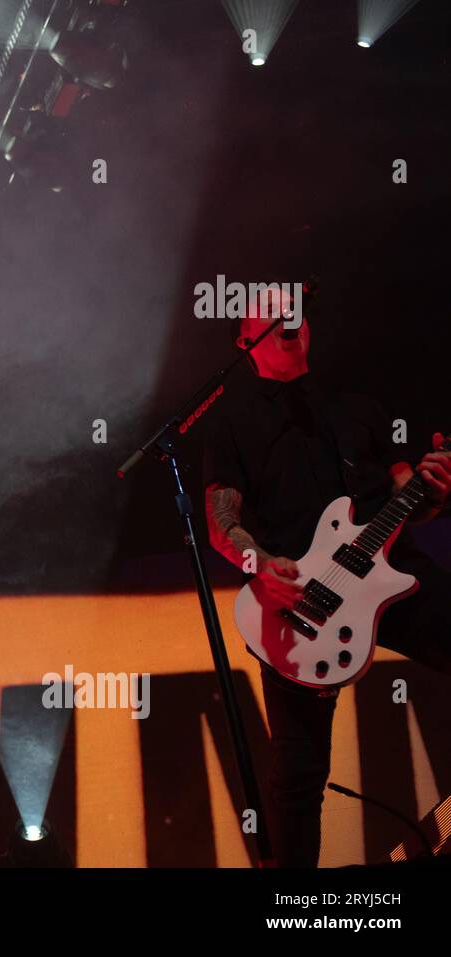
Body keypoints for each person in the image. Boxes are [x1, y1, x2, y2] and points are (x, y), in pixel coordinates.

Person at [203, 286, 449, 866]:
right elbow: (220, 520)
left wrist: (435, 490)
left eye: (296, 307)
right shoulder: (231, 423)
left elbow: (406, 493)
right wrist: (258, 567)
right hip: (301, 600)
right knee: (298, 779)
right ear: (246, 339)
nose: (288, 312)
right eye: (271, 307)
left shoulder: (356, 404)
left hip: (393, 571)